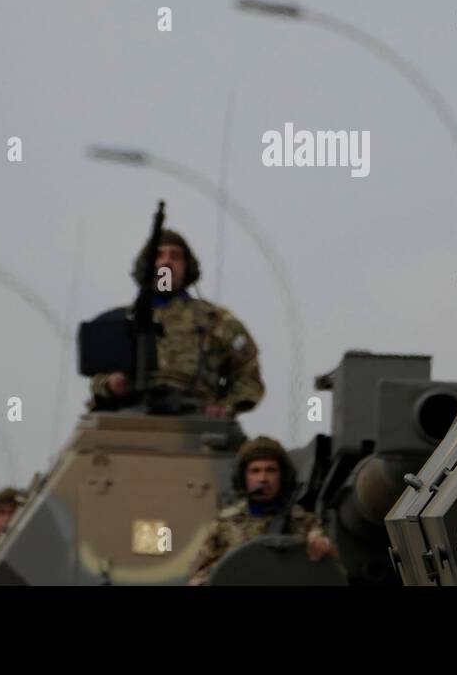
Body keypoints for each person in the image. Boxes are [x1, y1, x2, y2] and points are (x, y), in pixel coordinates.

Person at [87, 228, 264, 417]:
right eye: (158, 255)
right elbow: (97, 376)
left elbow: (248, 373)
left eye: (175, 256)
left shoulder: (216, 321)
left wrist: (225, 406)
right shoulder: (122, 321)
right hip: (128, 421)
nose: (166, 262)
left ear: (187, 266)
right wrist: (112, 384)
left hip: (195, 422)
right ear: (146, 265)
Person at [186, 436, 336, 585]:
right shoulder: (225, 523)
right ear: (244, 477)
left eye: (271, 470)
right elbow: (198, 574)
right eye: (255, 471)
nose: (263, 478)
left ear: (282, 476)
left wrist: (320, 546)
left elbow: (327, 568)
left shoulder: (305, 522)